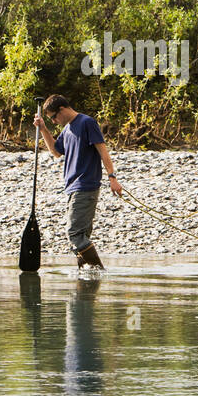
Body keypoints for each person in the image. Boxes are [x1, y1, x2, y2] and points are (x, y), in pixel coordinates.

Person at [34, 94, 122, 269]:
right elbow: (56, 151)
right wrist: (43, 129)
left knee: (74, 233)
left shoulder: (87, 123)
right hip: (72, 187)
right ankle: (86, 276)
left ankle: (97, 271)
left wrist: (112, 177)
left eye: (53, 117)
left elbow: (103, 151)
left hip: (86, 186)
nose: (54, 121)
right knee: (80, 235)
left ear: (62, 109)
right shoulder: (67, 130)